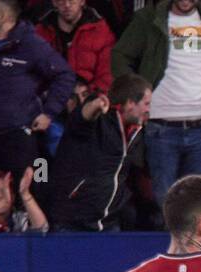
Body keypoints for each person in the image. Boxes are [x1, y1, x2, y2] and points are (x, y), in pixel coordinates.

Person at [112, 0, 201, 209]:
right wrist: (134, 95)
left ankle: (196, 244)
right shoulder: (149, 18)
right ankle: (172, 243)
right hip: (161, 127)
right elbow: (120, 55)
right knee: (167, 204)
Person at [43, 72, 150, 231]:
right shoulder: (99, 120)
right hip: (72, 222)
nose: (149, 109)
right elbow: (82, 117)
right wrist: (95, 104)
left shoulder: (136, 132)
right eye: (147, 104)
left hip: (109, 224)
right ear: (130, 103)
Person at [0, 0, 75, 179]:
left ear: (3, 15)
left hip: (21, 136)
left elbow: (64, 75)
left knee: (36, 187)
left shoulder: (30, 43)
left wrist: (49, 113)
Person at [36, 0, 115, 97]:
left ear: (82, 1)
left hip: (88, 98)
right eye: (61, 1)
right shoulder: (40, 32)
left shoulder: (101, 31)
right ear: (54, 3)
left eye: (72, 1)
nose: (67, 5)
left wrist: (89, 93)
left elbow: (107, 74)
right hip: (49, 97)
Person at [0, 166, 48, 232]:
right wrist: (4, 203)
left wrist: (25, 194)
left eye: (4, 191)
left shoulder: (19, 218)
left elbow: (42, 230)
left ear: (13, 197)